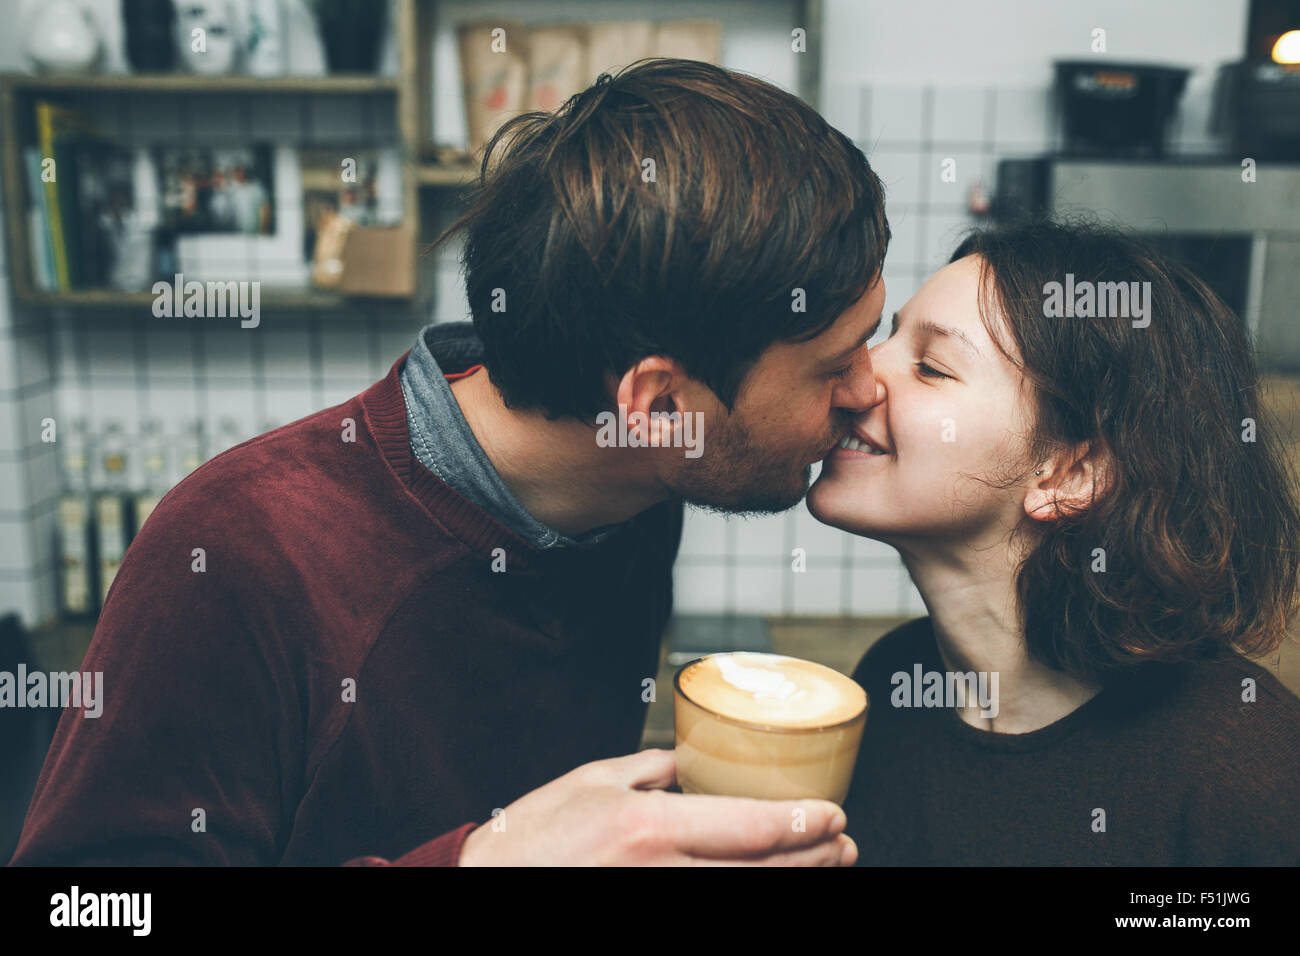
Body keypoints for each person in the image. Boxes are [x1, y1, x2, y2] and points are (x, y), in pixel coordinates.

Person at [9, 59, 889, 867]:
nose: (870, 389)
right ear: (660, 408)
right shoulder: (238, 553)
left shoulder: (638, 490)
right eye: (834, 365)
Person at [809, 219, 1300, 865]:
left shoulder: (1246, 767)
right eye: (887, 338)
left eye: (930, 368)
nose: (861, 376)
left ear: (1069, 474)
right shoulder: (894, 680)